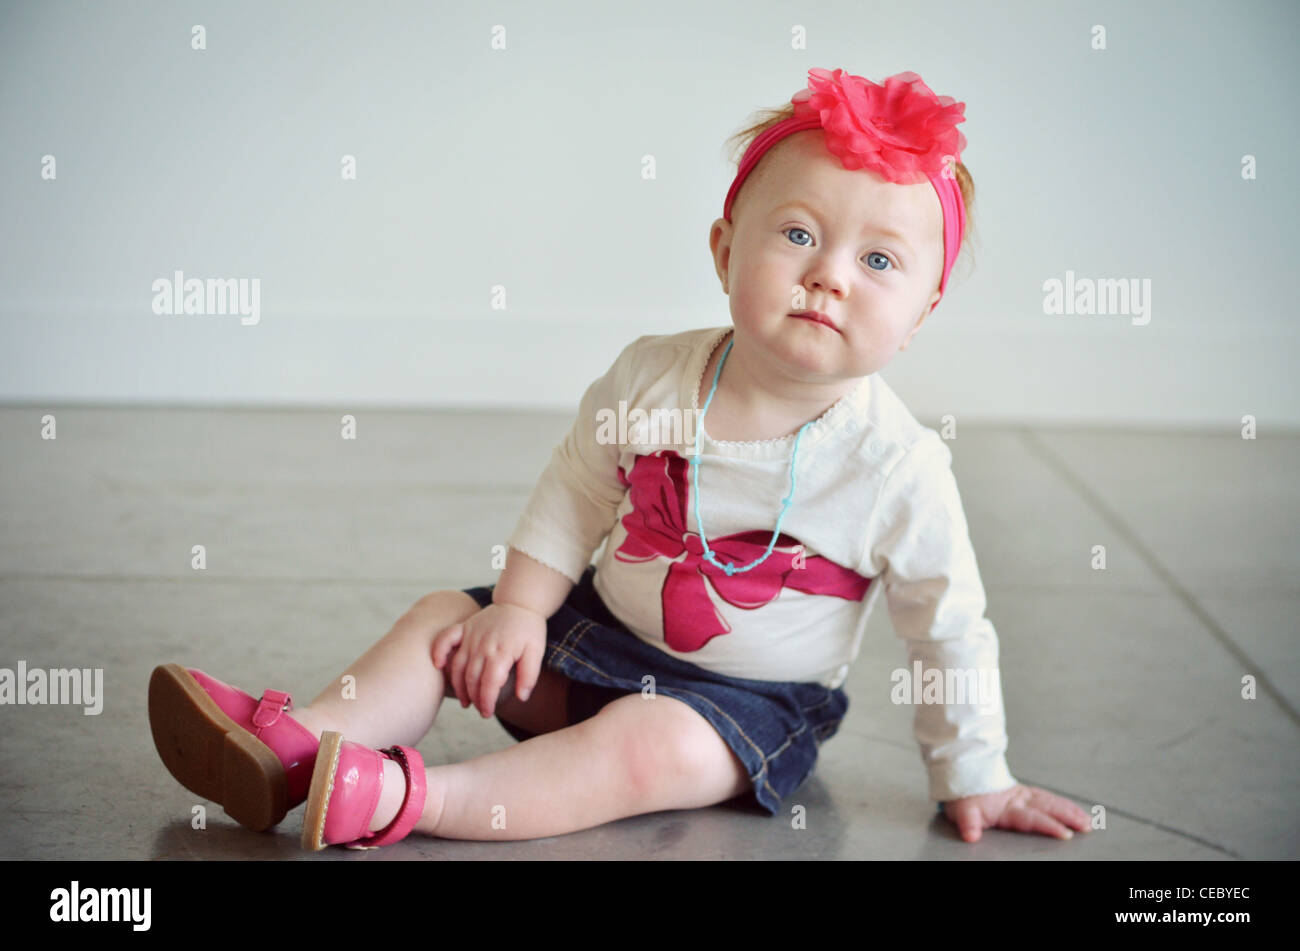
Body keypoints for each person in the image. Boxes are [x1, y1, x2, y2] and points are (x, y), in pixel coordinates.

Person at [149, 67, 1090, 850]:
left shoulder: (899, 467)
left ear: (921, 316)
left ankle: (409, 800)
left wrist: (976, 774)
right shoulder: (654, 376)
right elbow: (575, 488)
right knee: (448, 617)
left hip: (738, 714)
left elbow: (948, 629)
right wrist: (518, 610)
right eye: (798, 234)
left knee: (647, 743)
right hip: (593, 640)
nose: (829, 273)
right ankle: (303, 744)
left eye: (879, 261)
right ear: (725, 251)